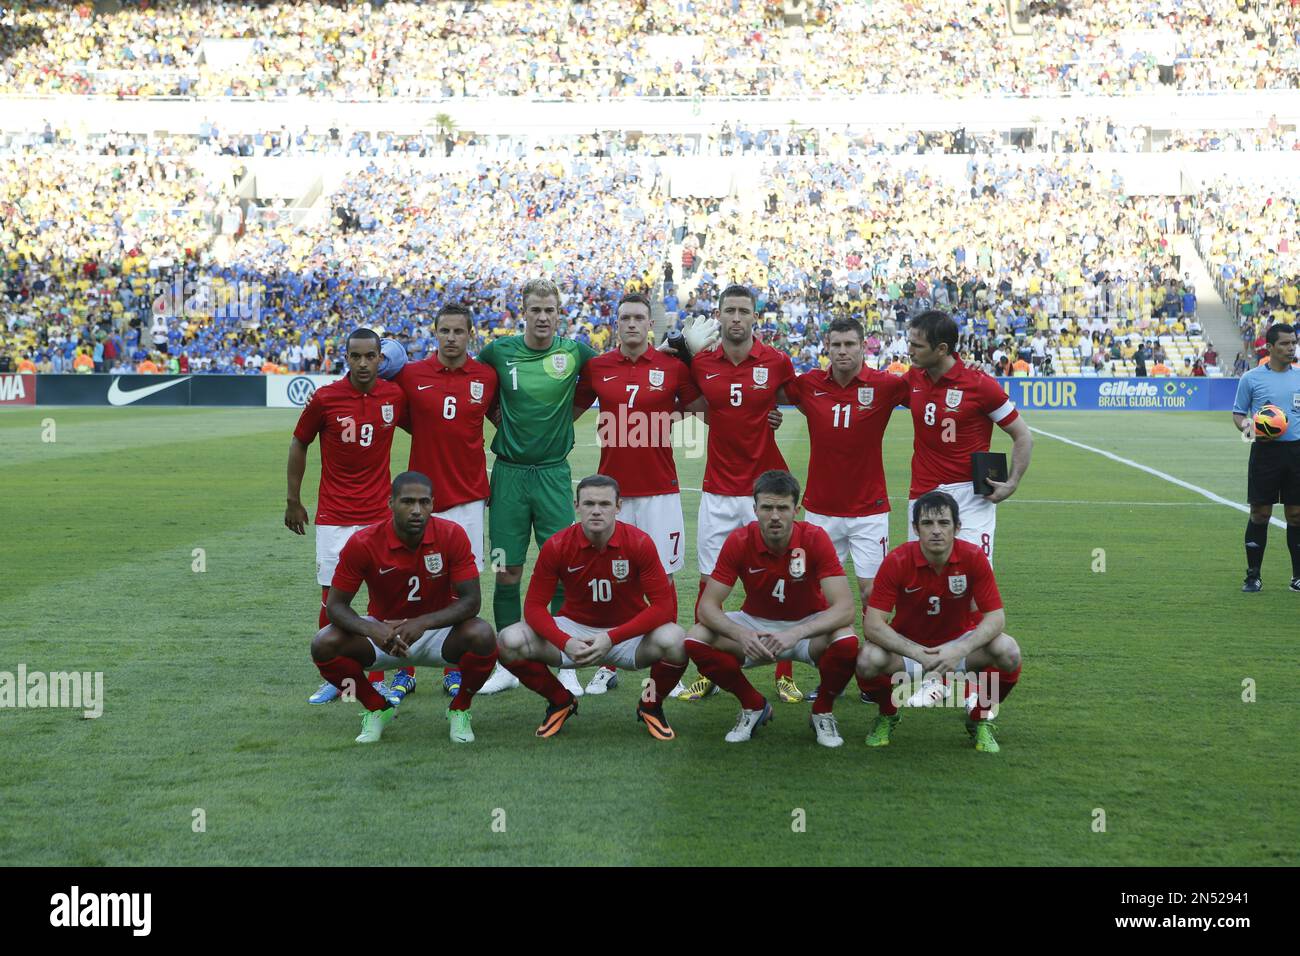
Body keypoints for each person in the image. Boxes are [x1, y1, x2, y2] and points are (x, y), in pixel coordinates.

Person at [678, 284, 806, 703]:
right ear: (719, 316)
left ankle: (784, 672)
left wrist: (774, 414)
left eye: (743, 311)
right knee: (708, 583)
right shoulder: (701, 363)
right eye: (728, 311)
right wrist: (680, 345)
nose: (736, 318)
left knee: (783, 581)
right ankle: (709, 671)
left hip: (766, 491)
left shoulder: (776, 361)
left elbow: (797, 398)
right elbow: (686, 399)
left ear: (755, 317)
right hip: (718, 489)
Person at [476, 279, 600, 699]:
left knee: (565, 567)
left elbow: (615, 373)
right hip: (508, 476)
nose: (543, 317)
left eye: (550, 310)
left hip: (552, 476)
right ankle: (507, 662)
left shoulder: (575, 351)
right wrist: (501, 422)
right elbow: (474, 386)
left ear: (559, 312)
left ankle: (564, 662)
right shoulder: (499, 351)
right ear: (522, 312)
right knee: (505, 570)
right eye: (535, 310)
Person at [572, 292, 700, 695]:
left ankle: (665, 665)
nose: (631, 324)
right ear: (617, 323)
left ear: (650, 325)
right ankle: (608, 664)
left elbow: (699, 408)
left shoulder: (671, 367)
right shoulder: (598, 367)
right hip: (612, 495)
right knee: (611, 577)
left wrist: (666, 417)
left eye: (638, 318)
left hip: (661, 491)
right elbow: (569, 410)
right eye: (624, 317)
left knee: (663, 578)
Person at [310, 471, 497, 745]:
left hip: (437, 632)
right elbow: (337, 607)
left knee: (483, 635)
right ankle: (376, 708)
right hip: (383, 631)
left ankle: (460, 708)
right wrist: (372, 629)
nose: (417, 510)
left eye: (424, 502)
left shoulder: (451, 535)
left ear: (433, 504)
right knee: (323, 643)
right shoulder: (364, 542)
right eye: (407, 502)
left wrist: (421, 623)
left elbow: (472, 601)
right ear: (391, 503)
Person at [496, 475, 687, 739]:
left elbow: (663, 607)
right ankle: (561, 700)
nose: (596, 510)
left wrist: (612, 638)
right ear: (577, 505)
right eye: (589, 503)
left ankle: (651, 706)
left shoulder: (639, 542)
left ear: (618, 506)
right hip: (575, 631)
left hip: (626, 634)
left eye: (604, 504)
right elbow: (534, 608)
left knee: (676, 640)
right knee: (509, 640)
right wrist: (565, 642)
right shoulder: (557, 545)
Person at [393, 303, 516, 700]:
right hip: (421, 500)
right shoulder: (411, 375)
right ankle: (404, 668)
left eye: (458, 332)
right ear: (435, 333)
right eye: (444, 331)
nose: (451, 338)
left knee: (461, 588)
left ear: (470, 335)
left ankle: (454, 666)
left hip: (468, 498)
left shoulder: (486, 376)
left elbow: (503, 420)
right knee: (409, 586)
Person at [685, 470, 860, 746]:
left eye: (782, 508)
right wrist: (741, 634)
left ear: (796, 510)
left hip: (807, 629)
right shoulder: (739, 541)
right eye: (767, 507)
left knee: (847, 640)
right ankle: (753, 704)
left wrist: (797, 633)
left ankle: (822, 711)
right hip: (755, 626)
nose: (775, 516)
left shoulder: (815, 538)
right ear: (754, 509)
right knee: (696, 638)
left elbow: (845, 609)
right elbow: (707, 606)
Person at [285, 327, 409, 705]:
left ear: (380, 358)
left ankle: (392, 675)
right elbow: (299, 442)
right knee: (331, 598)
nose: (363, 363)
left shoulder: (394, 395)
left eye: (370, 356)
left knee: (385, 598)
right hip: (335, 516)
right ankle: (339, 678)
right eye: (355, 356)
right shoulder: (325, 398)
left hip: (378, 515)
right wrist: (293, 499)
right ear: (346, 358)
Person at [857, 491, 1022, 754]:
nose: (936, 531)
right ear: (915, 528)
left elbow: (996, 618)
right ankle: (888, 714)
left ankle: (980, 718)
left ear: (957, 527)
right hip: (910, 649)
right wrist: (916, 653)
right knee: (866, 660)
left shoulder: (973, 557)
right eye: (927, 523)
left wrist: (959, 650)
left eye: (944, 523)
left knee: (1008, 650)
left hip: (958, 647)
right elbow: (874, 624)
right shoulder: (898, 561)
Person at [904, 310, 1033, 563]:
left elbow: (1023, 435)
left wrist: (1012, 482)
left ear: (941, 349)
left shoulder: (980, 384)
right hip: (923, 492)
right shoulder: (912, 379)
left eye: (917, 345)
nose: (909, 350)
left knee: (974, 579)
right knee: (920, 578)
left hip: (971, 496)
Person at [1232, 323, 1300, 593]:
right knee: (1260, 514)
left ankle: (1297, 577)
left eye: (1293, 342)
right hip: (1265, 452)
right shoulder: (1251, 378)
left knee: (1296, 515)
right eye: (1284, 343)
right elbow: (1238, 414)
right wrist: (1254, 430)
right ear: (1269, 347)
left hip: (1297, 452)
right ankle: (1253, 575)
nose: (1291, 347)